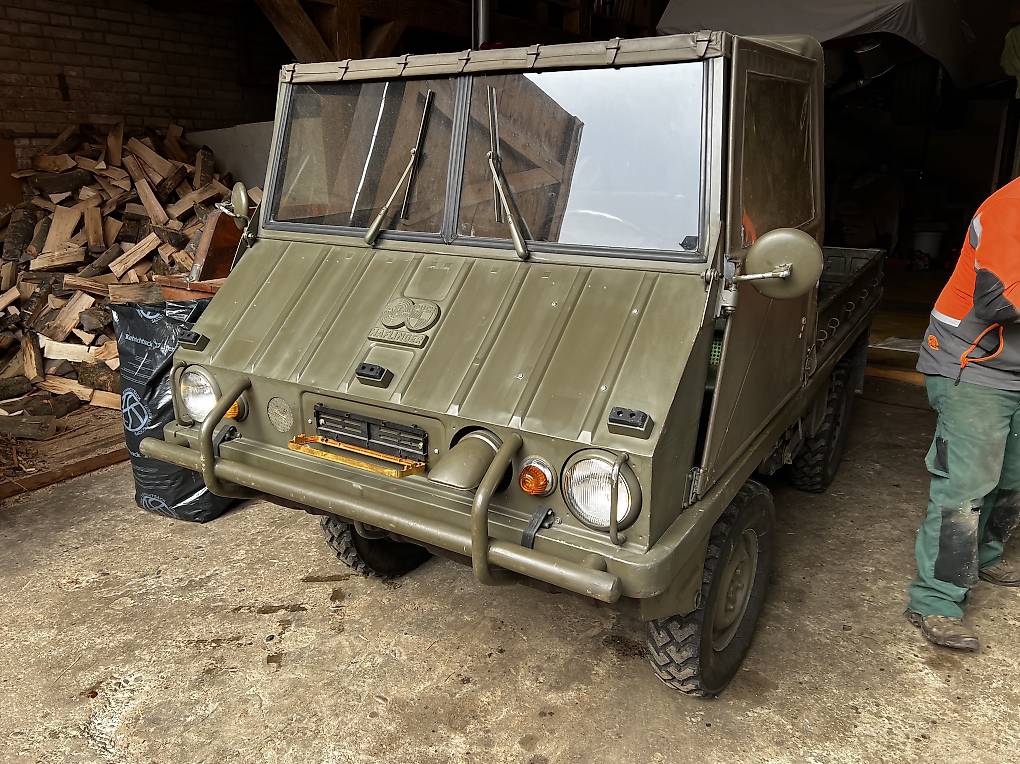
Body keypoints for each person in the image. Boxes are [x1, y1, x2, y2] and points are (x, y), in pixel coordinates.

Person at [908, 177, 1020, 650]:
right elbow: (1001, 300)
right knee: (968, 486)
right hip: (974, 364)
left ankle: (986, 555)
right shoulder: (1013, 205)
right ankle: (937, 598)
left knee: (1013, 474)